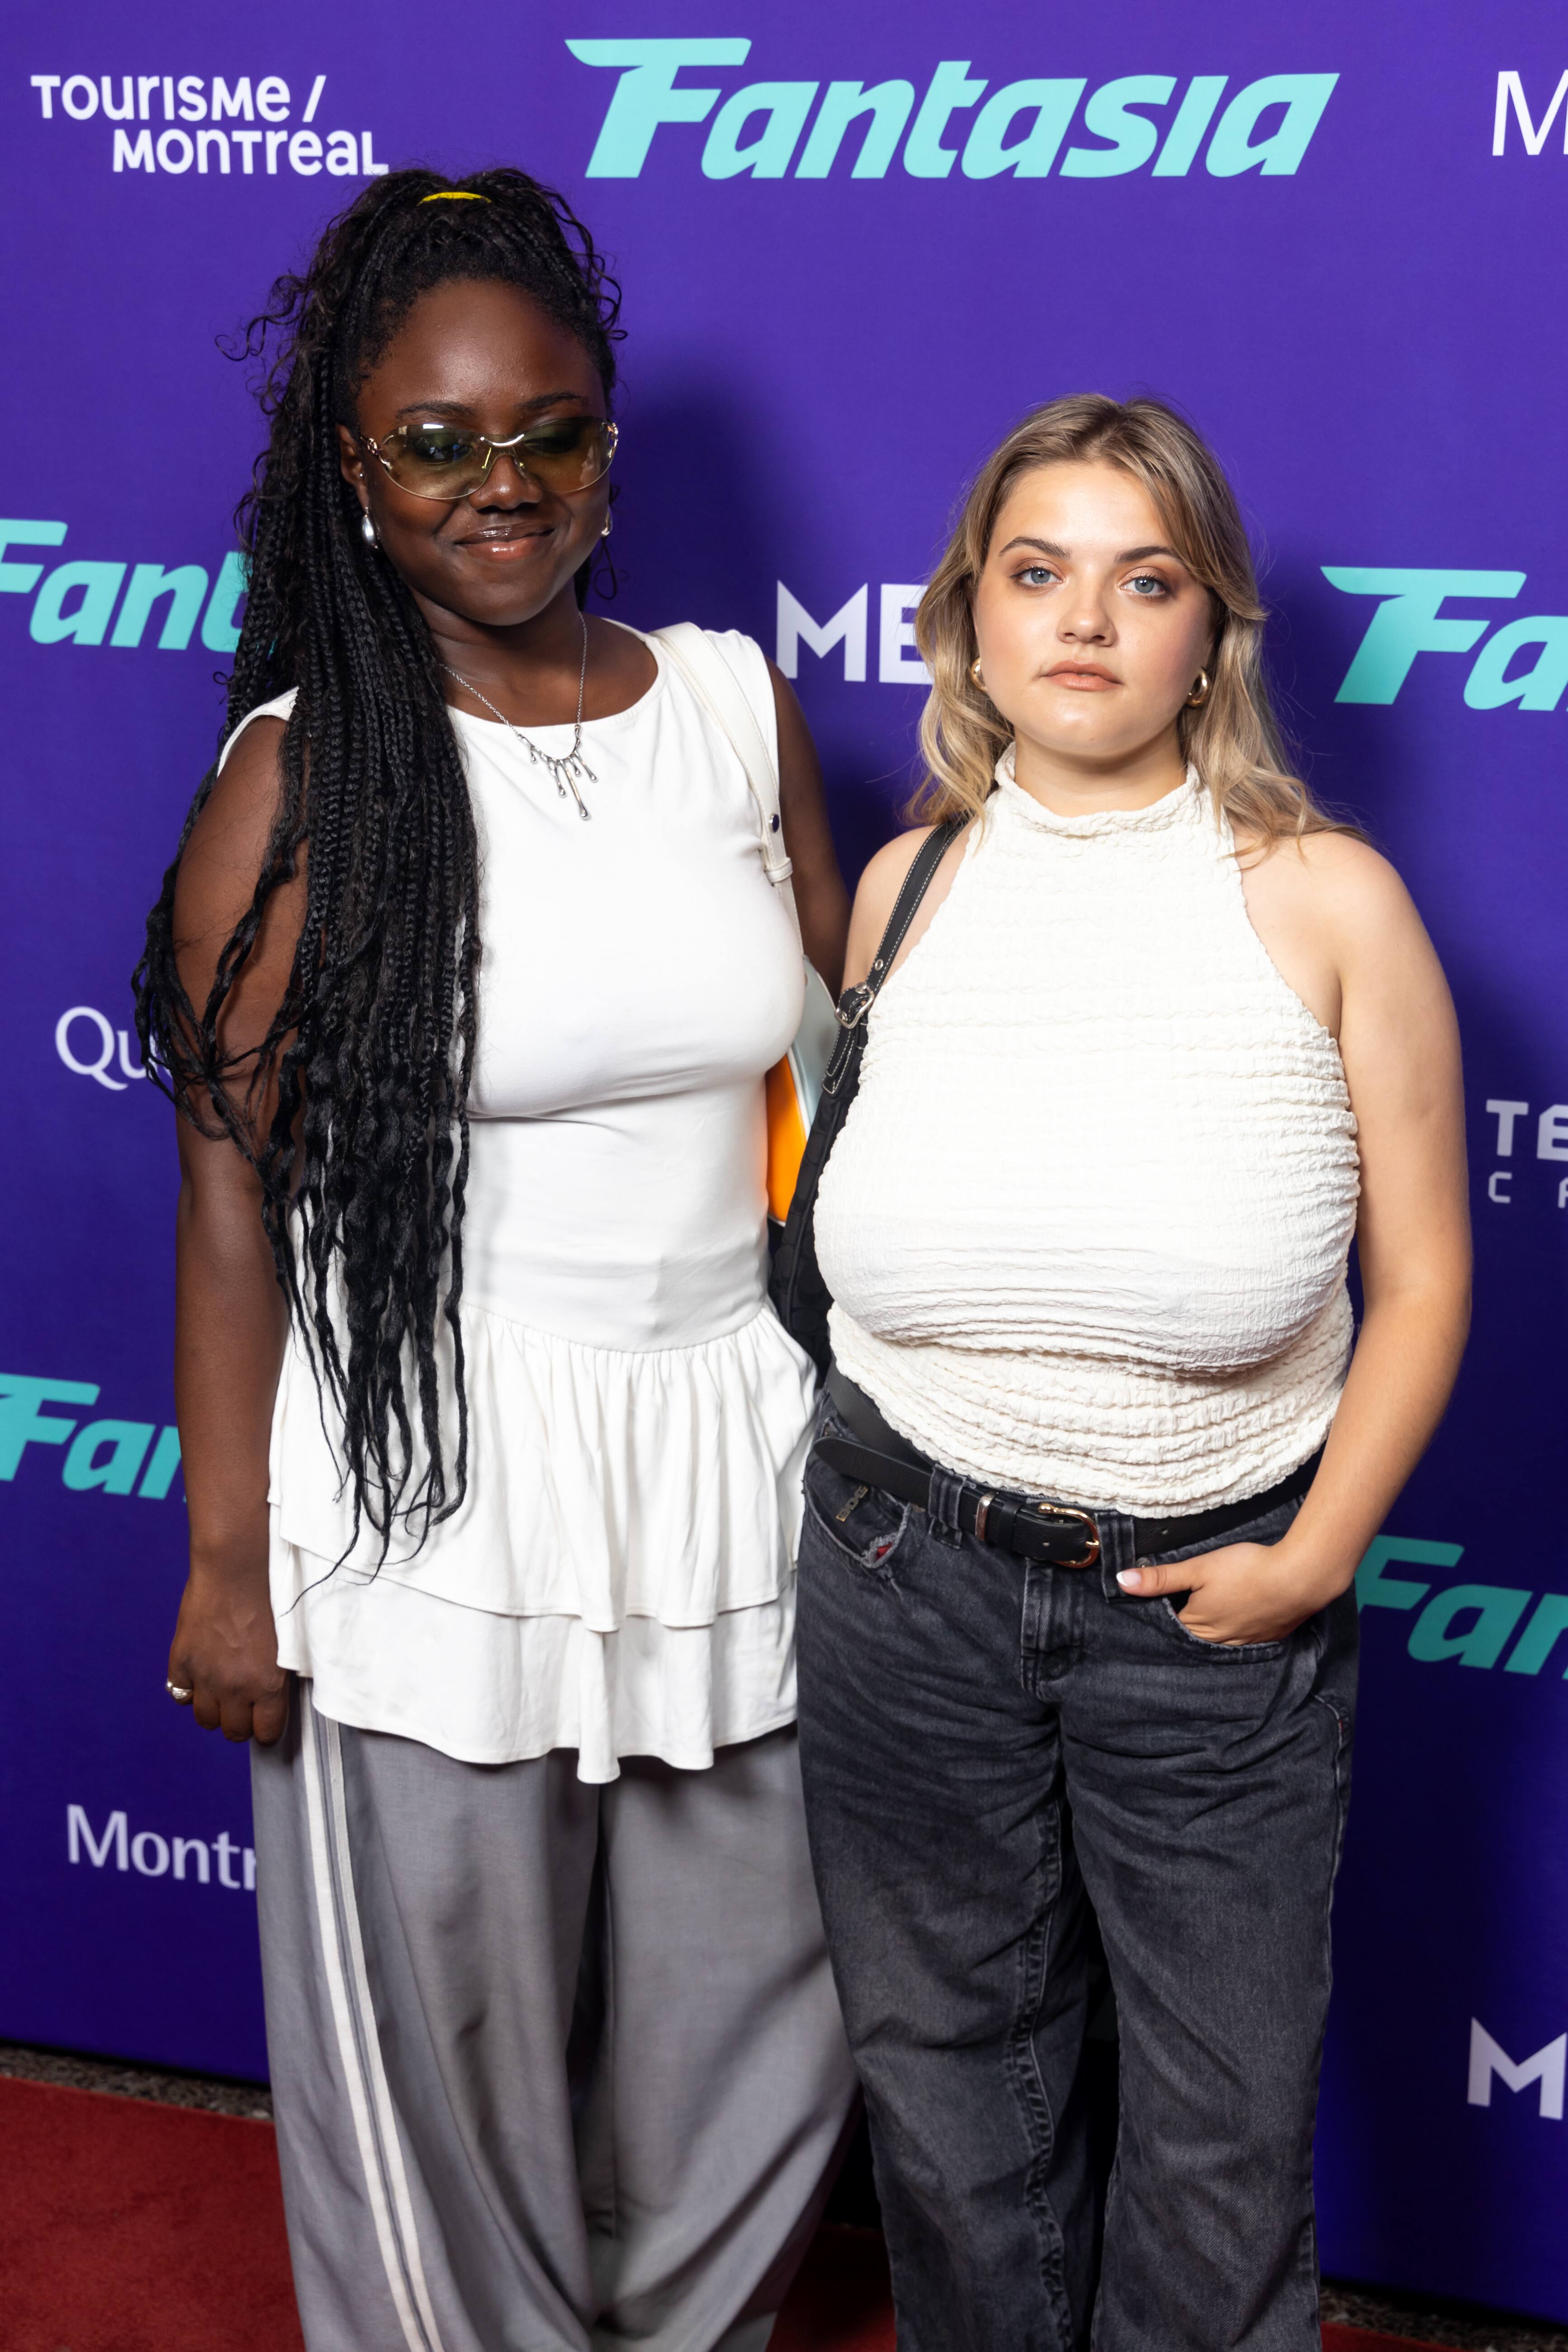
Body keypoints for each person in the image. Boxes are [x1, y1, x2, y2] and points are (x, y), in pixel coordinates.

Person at [135, 169, 856, 2352]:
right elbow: (233, 1194)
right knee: (439, 2089)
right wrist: (235, 1562)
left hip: (729, 1447)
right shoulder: (309, 771)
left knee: (757, 2033)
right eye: (437, 442)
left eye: (547, 431)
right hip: (434, 1486)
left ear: (607, 444)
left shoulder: (729, 706)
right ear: (353, 471)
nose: (500, 483)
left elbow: (843, 1067)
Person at [794, 395, 1470, 2351]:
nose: (1085, 622)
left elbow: (1423, 1278)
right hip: (903, 1567)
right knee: (946, 2093)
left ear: (1210, 630)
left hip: (1218, 1601)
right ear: (971, 621)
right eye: (1040, 572)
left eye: (1143, 578)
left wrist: (1318, 1553)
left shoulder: (1324, 898)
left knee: (1220, 2138)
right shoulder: (905, 890)